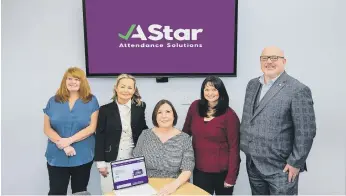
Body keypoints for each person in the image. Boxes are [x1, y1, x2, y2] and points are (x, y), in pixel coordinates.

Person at [240, 46, 317, 195]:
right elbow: (250, 119)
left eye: (274, 58)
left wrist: (295, 163)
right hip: (254, 163)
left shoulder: (297, 90)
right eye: (264, 58)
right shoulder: (252, 85)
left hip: (281, 167)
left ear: (284, 61)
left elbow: (306, 131)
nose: (269, 62)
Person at [43, 67, 99, 195]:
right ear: (65, 81)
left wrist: (69, 141)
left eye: (77, 79)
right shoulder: (53, 101)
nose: (73, 82)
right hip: (57, 155)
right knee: (56, 192)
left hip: (83, 156)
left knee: (80, 192)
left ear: (82, 82)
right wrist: (64, 145)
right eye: (69, 79)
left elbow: (91, 128)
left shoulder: (91, 100)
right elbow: (47, 128)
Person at [182, 76, 240, 195]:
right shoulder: (195, 107)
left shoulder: (230, 115)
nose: (210, 93)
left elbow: (234, 148)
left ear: (221, 91)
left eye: (214, 89)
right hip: (199, 170)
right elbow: (184, 135)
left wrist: (231, 178)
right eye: (206, 89)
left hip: (223, 173)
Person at [94, 74, 148, 193]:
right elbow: (100, 136)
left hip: (133, 158)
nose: (126, 90)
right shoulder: (105, 110)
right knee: (109, 192)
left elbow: (144, 130)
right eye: (122, 86)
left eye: (129, 87)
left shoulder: (140, 107)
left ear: (134, 90)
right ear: (116, 88)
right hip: (110, 159)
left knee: (132, 192)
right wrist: (100, 162)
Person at [133, 100, 195, 196]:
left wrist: (173, 186)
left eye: (168, 112)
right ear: (155, 117)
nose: (164, 116)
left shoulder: (184, 138)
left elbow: (187, 169)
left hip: (175, 186)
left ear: (174, 115)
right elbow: (135, 162)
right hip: (147, 185)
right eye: (159, 112)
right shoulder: (145, 135)